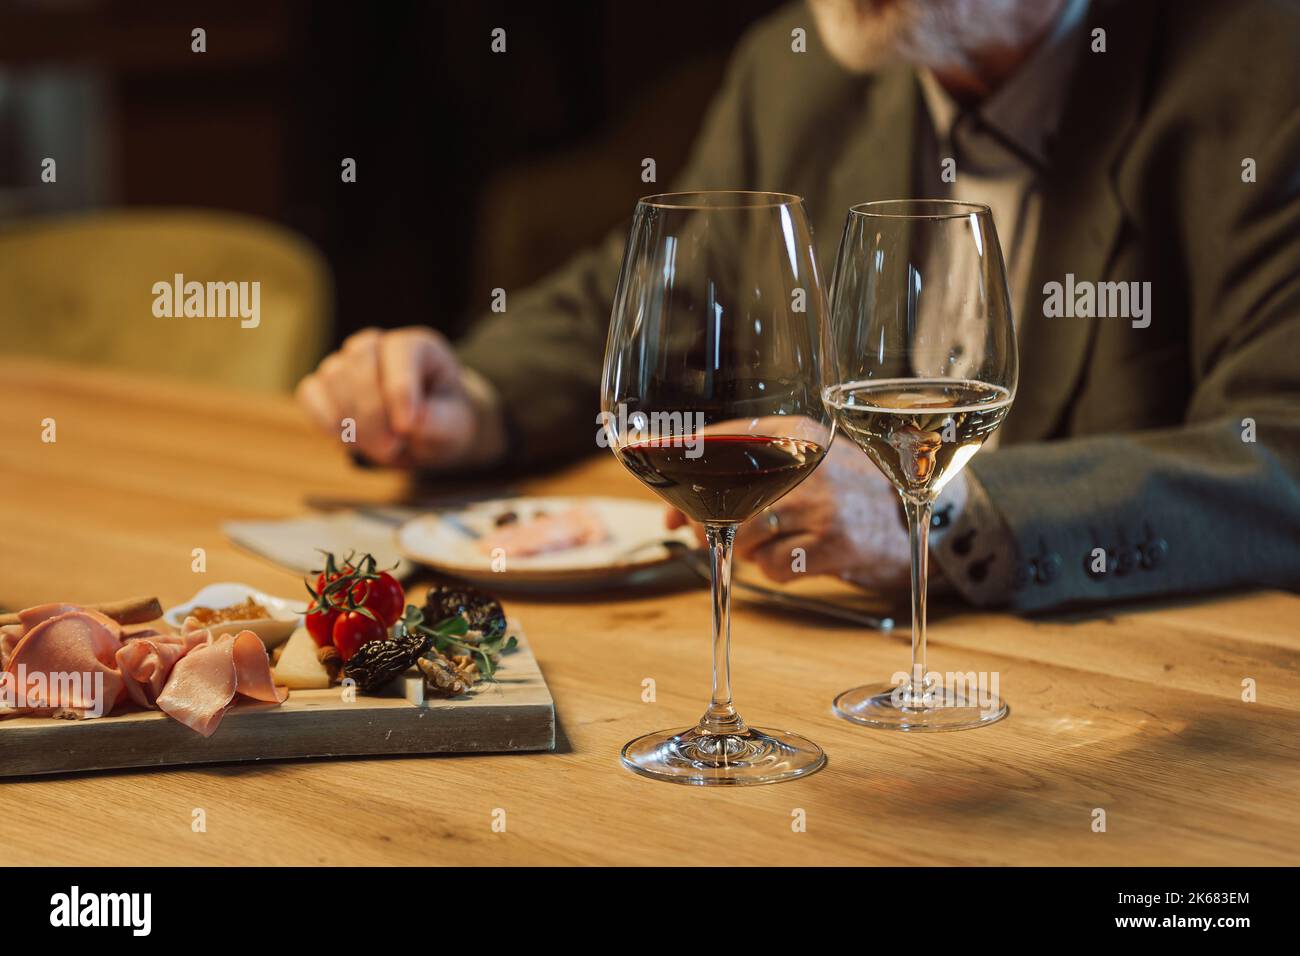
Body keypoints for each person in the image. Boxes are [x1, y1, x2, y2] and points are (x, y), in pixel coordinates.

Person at [296, 0, 1300, 612]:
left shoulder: (1266, 83)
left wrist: (949, 517)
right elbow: (652, 292)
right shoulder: (798, 69)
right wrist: (470, 394)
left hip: (1136, 718)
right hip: (821, 678)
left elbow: (1279, 460)